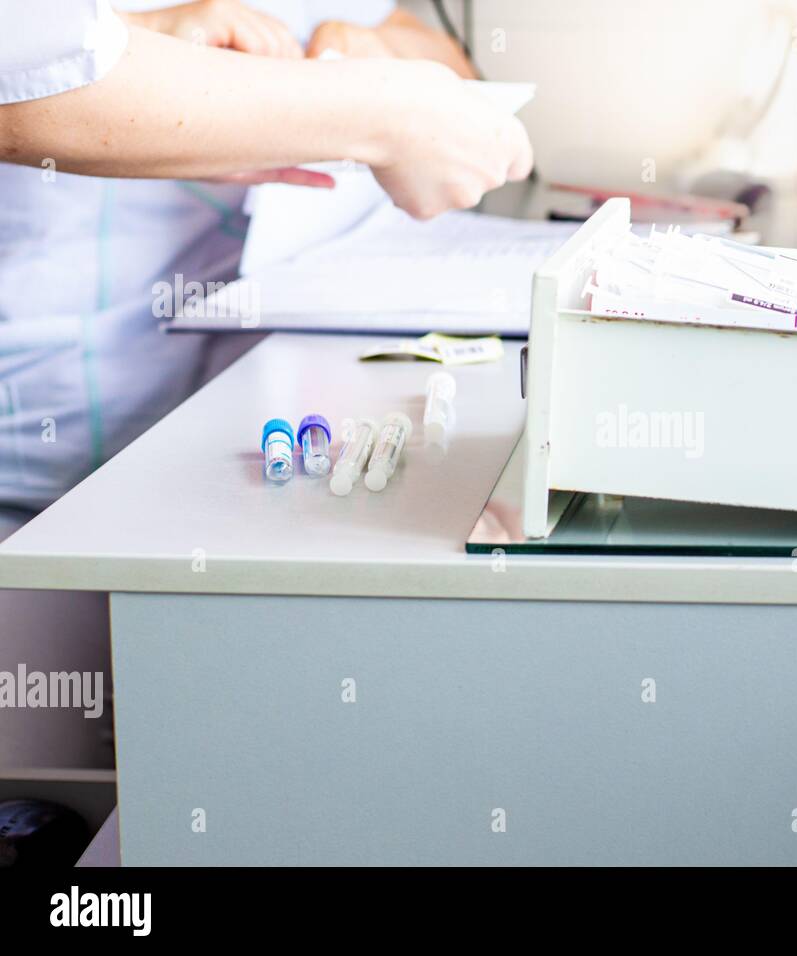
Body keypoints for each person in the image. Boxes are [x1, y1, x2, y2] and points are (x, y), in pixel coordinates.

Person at [0, 0, 532, 771]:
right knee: (49, 806)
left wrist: (381, 54)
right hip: (32, 493)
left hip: (229, 489)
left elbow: (458, 78)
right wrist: (384, 110)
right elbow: (30, 75)